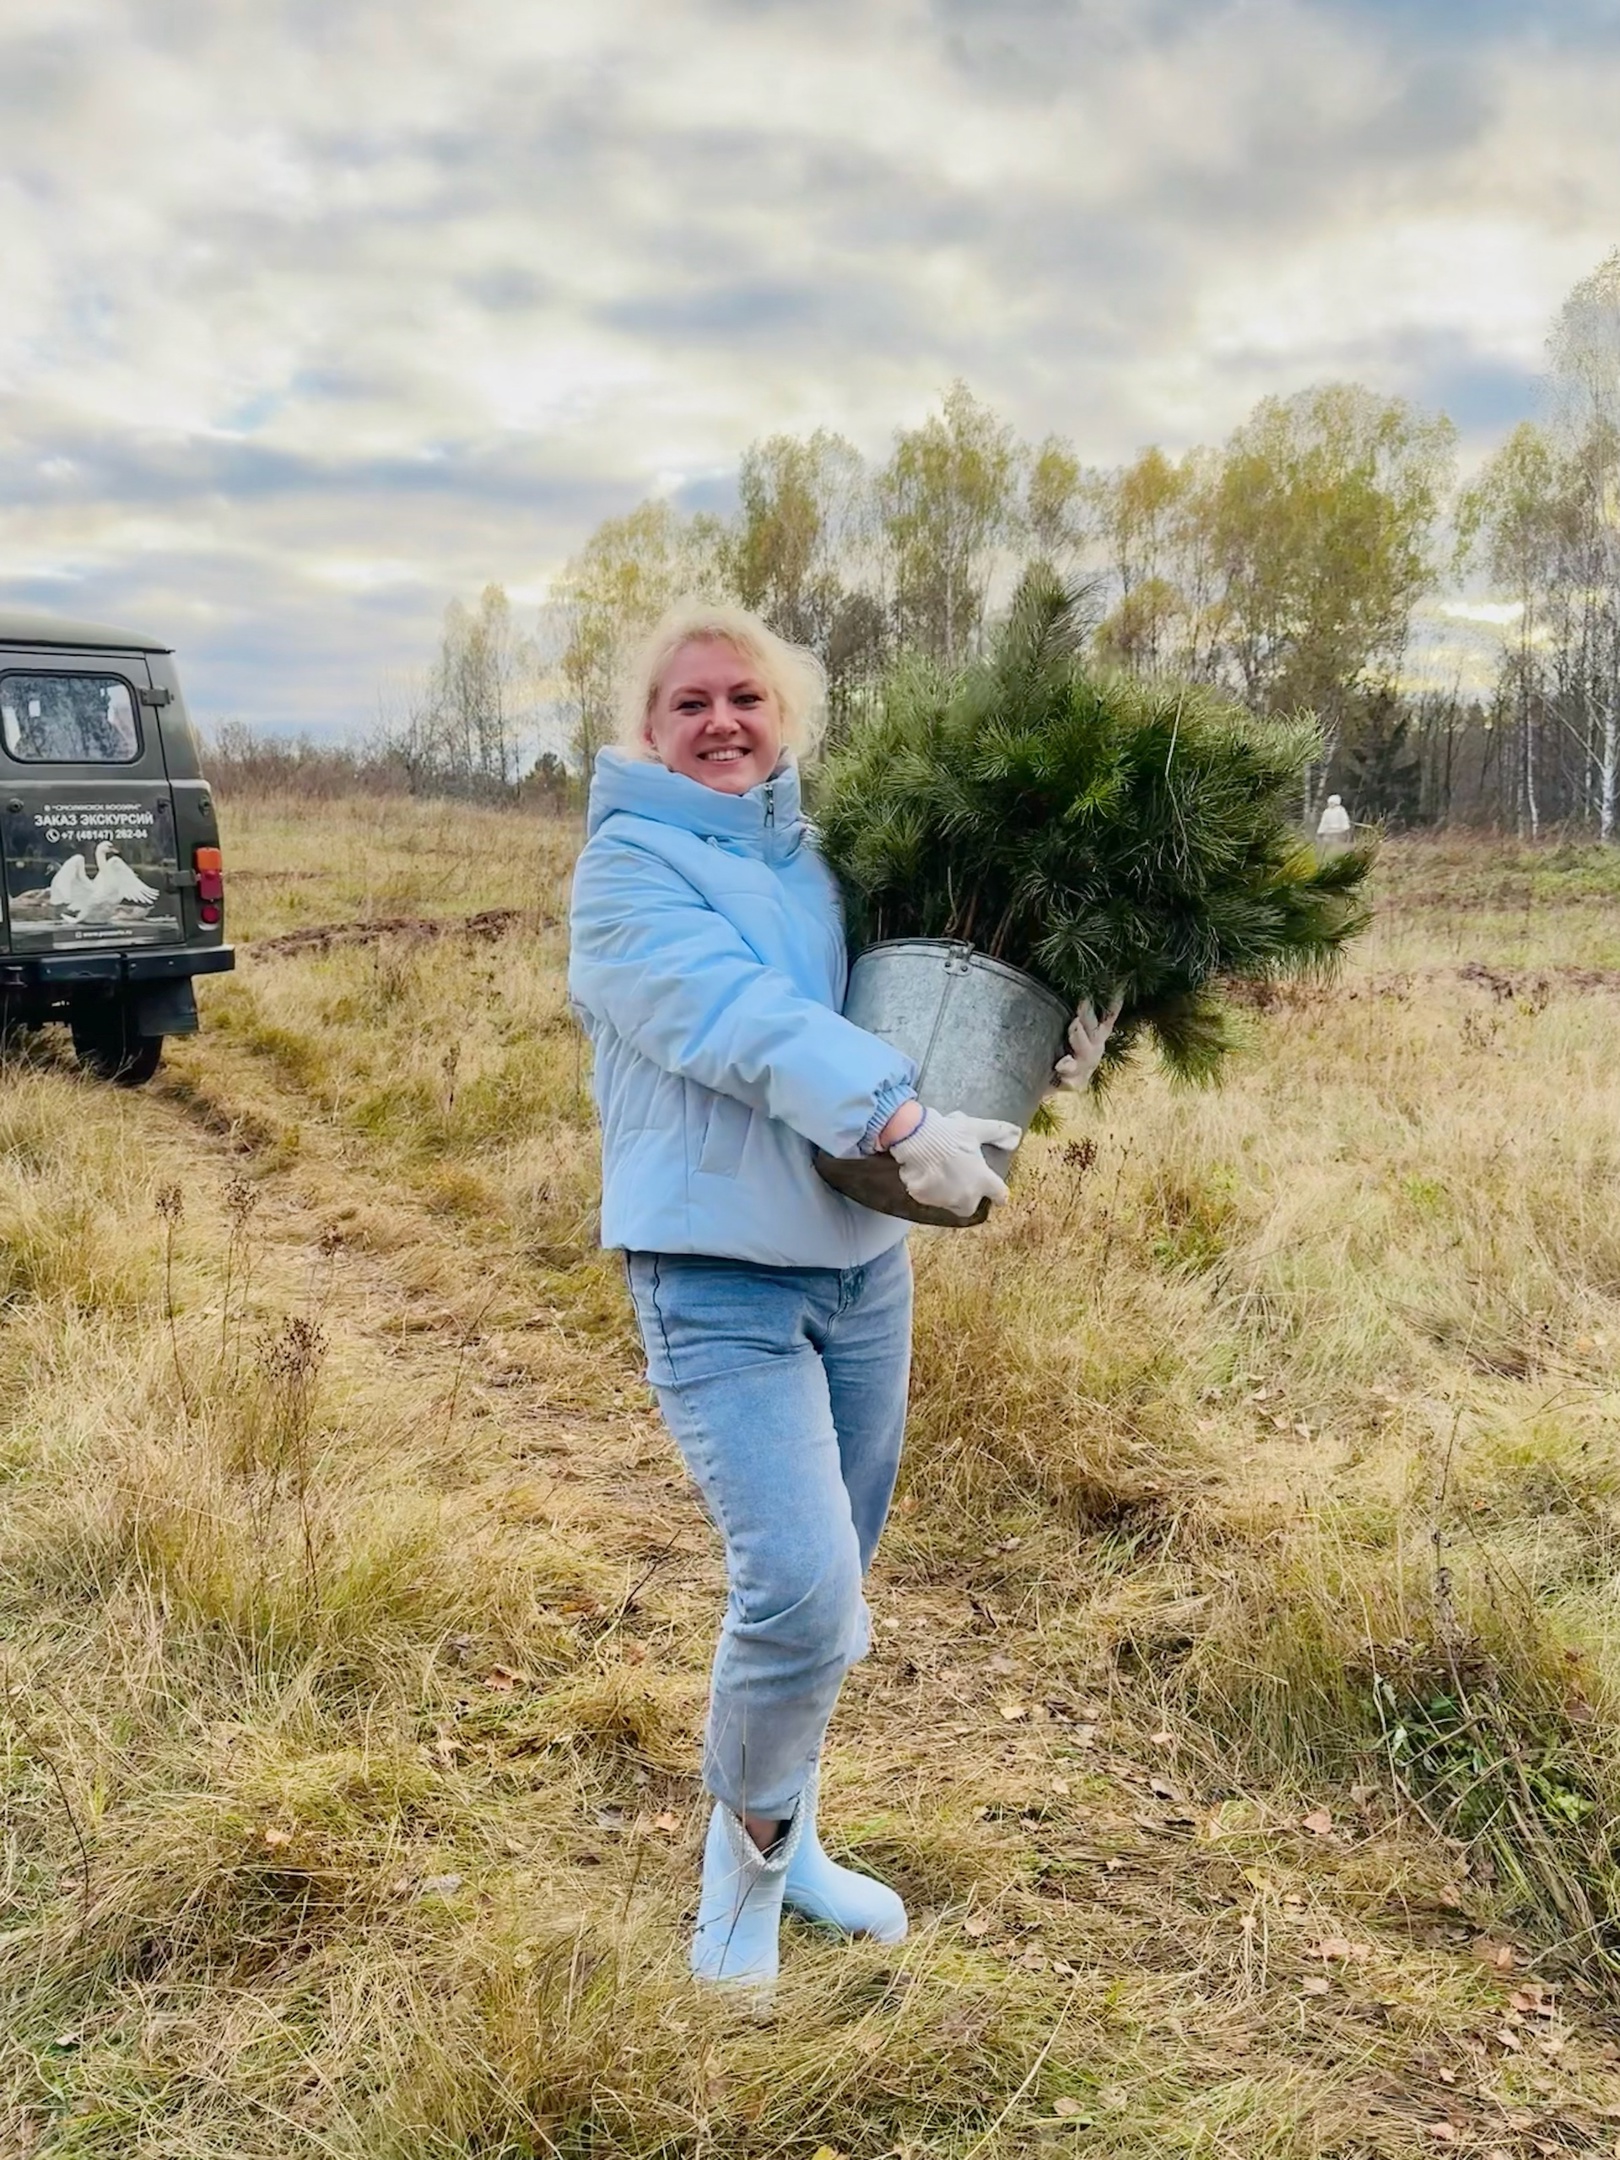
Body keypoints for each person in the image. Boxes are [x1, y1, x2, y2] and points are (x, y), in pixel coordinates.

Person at [567, 600, 1116, 1987]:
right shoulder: (626, 872)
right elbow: (734, 1019)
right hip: (717, 1280)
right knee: (802, 1594)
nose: (721, 724)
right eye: (689, 703)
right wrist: (887, 1112)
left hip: (861, 1274)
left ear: (786, 715)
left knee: (838, 1587)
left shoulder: (824, 861)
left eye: (745, 699)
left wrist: (1038, 1037)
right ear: (647, 729)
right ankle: (739, 1883)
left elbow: (911, 999)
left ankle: (792, 1834)